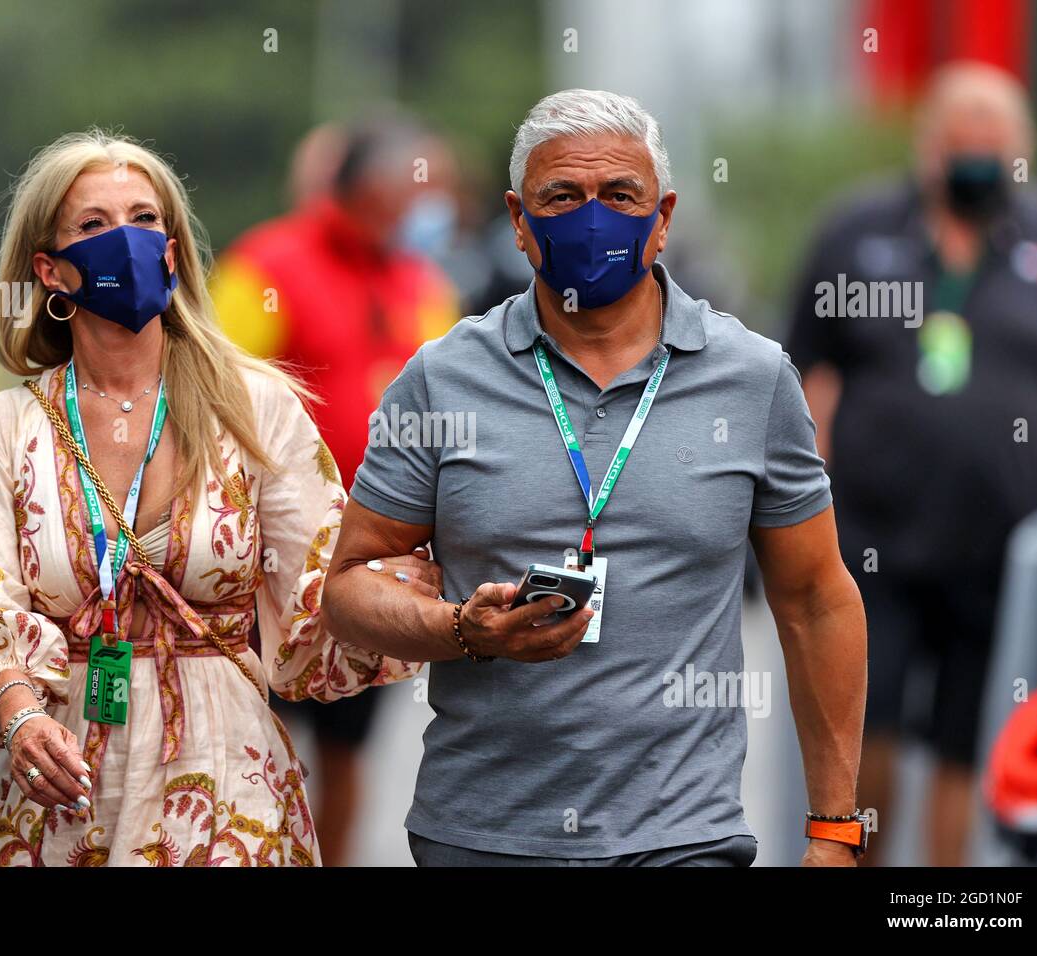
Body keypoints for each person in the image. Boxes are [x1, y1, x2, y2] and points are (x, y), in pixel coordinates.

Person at [323, 89, 869, 867]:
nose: (591, 219)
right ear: (518, 220)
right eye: (561, 197)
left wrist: (835, 830)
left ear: (663, 217)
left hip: (685, 836)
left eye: (620, 195)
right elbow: (348, 586)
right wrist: (462, 631)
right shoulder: (442, 380)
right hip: (482, 835)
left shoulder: (752, 380)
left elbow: (816, 600)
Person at [0, 130, 438, 867]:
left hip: (223, 786)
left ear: (172, 253)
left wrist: (432, 594)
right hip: (49, 789)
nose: (127, 239)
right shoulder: (3, 428)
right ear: (50, 270)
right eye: (94, 224)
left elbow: (322, 592)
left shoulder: (256, 410)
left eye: (144, 219)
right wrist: (17, 712)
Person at [784, 61, 1037, 866]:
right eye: (960, 141)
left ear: (1021, 149)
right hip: (873, 537)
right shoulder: (857, 232)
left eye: (993, 143)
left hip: (1005, 545)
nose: (976, 158)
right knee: (864, 727)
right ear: (927, 144)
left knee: (965, 741)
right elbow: (800, 369)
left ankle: (945, 902)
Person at [211, 116, 459, 864]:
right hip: (262, 561)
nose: (428, 205)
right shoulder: (264, 265)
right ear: (369, 188)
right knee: (250, 739)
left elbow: (453, 411)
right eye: (414, 188)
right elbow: (211, 396)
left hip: (374, 560)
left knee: (349, 748)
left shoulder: (422, 283)